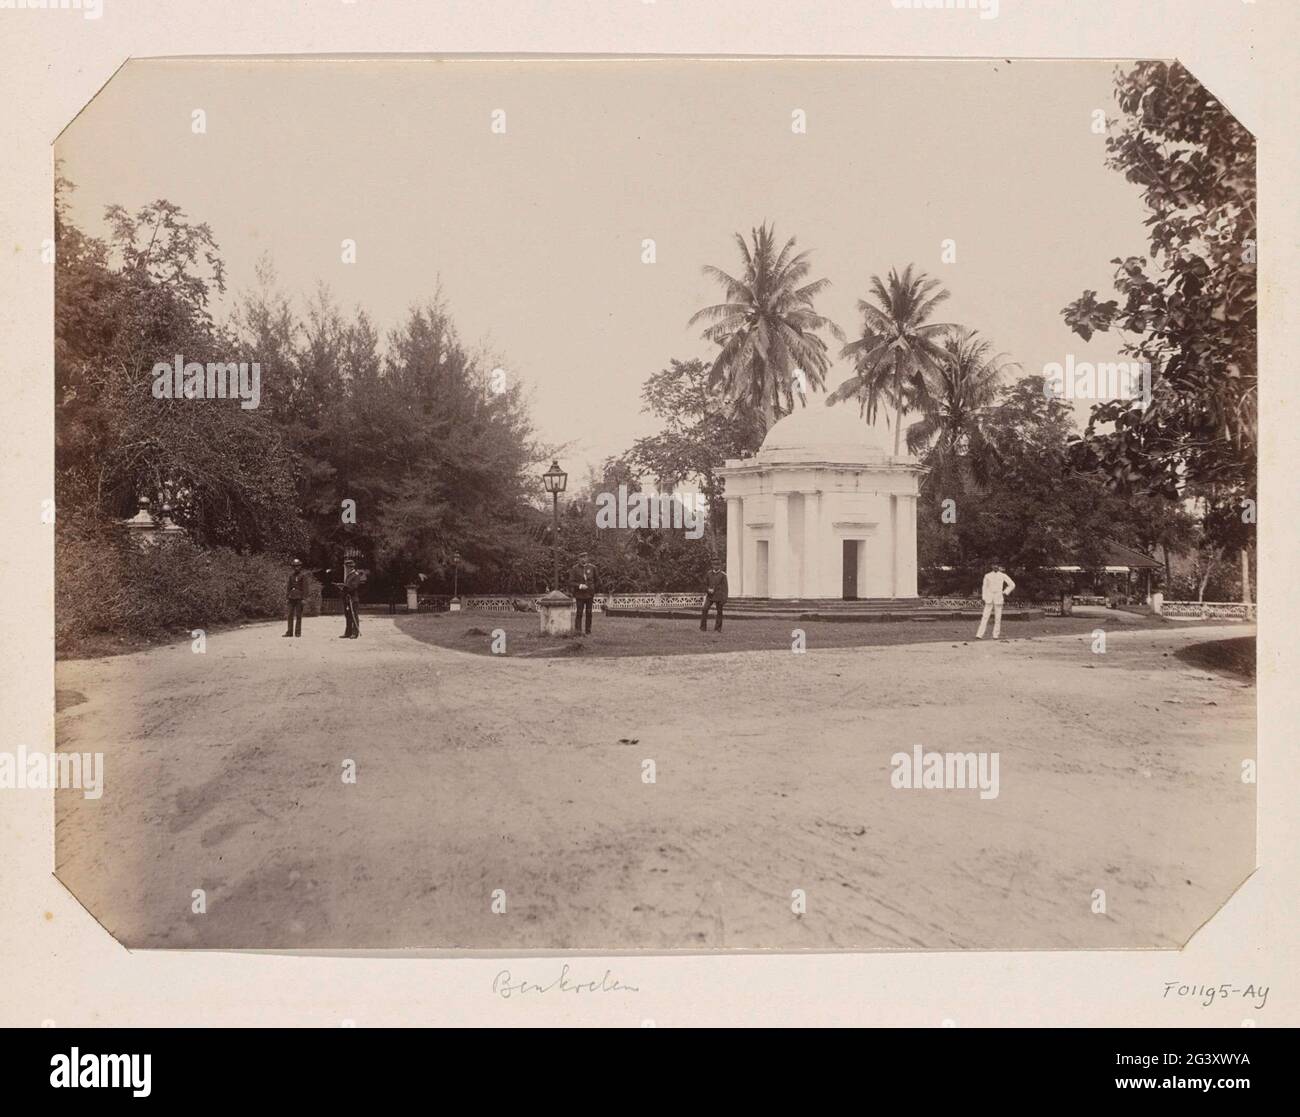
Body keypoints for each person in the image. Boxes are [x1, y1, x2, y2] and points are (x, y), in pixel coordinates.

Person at [976, 560, 1016, 640]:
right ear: (991, 566)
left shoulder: (1003, 575)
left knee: (998, 618)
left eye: (997, 565)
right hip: (989, 598)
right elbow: (984, 587)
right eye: (994, 565)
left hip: (998, 597)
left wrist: (1005, 592)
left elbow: (1012, 584)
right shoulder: (987, 575)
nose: (995, 566)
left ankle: (995, 635)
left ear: (999, 566)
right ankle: (979, 634)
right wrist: (984, 597)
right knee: (985, 616)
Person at [568, 551, 597, 635]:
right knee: (579, 613)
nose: (584, 559)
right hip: (579, 595)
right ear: (579, 559)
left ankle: (588, 631)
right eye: (582, 557)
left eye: (585, 557)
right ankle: (578, 631)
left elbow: (596, 580)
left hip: (589, 594)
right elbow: (570, 582)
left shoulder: (592, 568)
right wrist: (580, 586)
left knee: (589, 613)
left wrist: (592, 588)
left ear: (587, 558)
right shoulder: (574, 569)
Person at [336, 559, 366, 639]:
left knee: (353, 615)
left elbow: (354, 586)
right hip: (347, 598)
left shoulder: (355, 575)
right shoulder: (349, 575)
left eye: (346, 567)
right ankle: (348, 632)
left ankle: (355, 633)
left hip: (353, 598)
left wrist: (344, 586)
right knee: (348, 615)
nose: (345, 568)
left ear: (349, 567)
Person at [700, 562, 728, 632]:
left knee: (719, 612)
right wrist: (708, 589)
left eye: (717, 565)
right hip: (710, 596)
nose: (716, 566)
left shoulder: (723, 575)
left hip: (719, 596)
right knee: (704, 609)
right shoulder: (708, 574)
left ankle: (718, 628)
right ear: (712, 565)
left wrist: (724, 599)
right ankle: (703, 628)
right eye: (714, 565)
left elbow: (725, 588)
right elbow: (704, 584)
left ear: (720, 566)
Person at [283, 558, 307, 637]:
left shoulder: (303, 576)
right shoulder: (291, 576)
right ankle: (289, 632)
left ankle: (297, 633)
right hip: (291, 597)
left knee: (298, 615)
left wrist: (304, 598)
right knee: (289, 615)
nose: (296, 567)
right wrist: (287, 597)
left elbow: (305, 588)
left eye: (298, 566)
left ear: (300, 567)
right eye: (295, 566)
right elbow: (288, 587)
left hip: (299, 598)